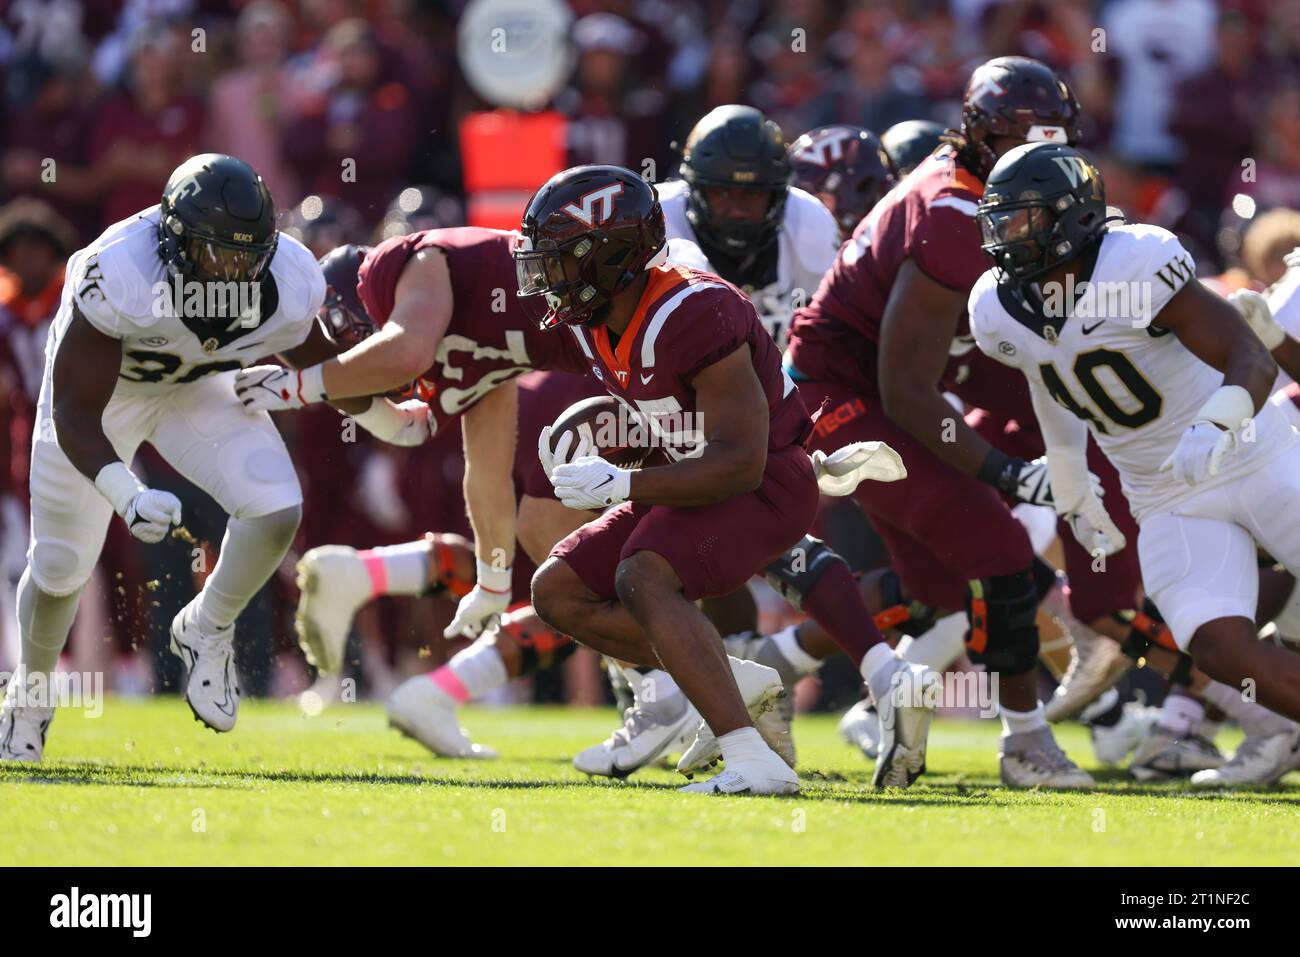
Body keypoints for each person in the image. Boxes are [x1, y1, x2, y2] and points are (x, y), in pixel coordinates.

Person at [519, 164, 934, 795]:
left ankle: (753, 760)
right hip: (705, 478)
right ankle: (736, 677)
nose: (550, 276)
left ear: (611, 257)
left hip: (767, 485)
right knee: (558, 589)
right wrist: (605, 431)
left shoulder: (694, 311)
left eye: (565, 259)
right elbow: (673, 423)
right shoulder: (598, 314)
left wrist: (621, 484)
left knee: (643, 575)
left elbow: (740, 458)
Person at [0, 154, 346, 758]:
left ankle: (207, 626)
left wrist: (389, 416)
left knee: (275, 507)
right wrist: (126, 495)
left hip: (194, 389)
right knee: (59, 569)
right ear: (174, 240)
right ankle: (28, 697)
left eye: (247, 254)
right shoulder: (121, 269)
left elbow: (327, 367)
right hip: (103, 400)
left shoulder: (289, 279)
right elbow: (74, 415)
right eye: (217, 252)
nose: (233, 270)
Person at [968, 143, 1300, 755]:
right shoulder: (996, 306)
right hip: (1163, 494)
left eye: (1025, 218)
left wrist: (1216, 424)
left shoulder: (1134, 260)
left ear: (1072, 217)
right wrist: (1068, 472)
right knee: (1218, 646)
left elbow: (1247, 354)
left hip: (1252, 454)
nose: (1008, 235)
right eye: (1000, 219)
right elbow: (1048, 377)